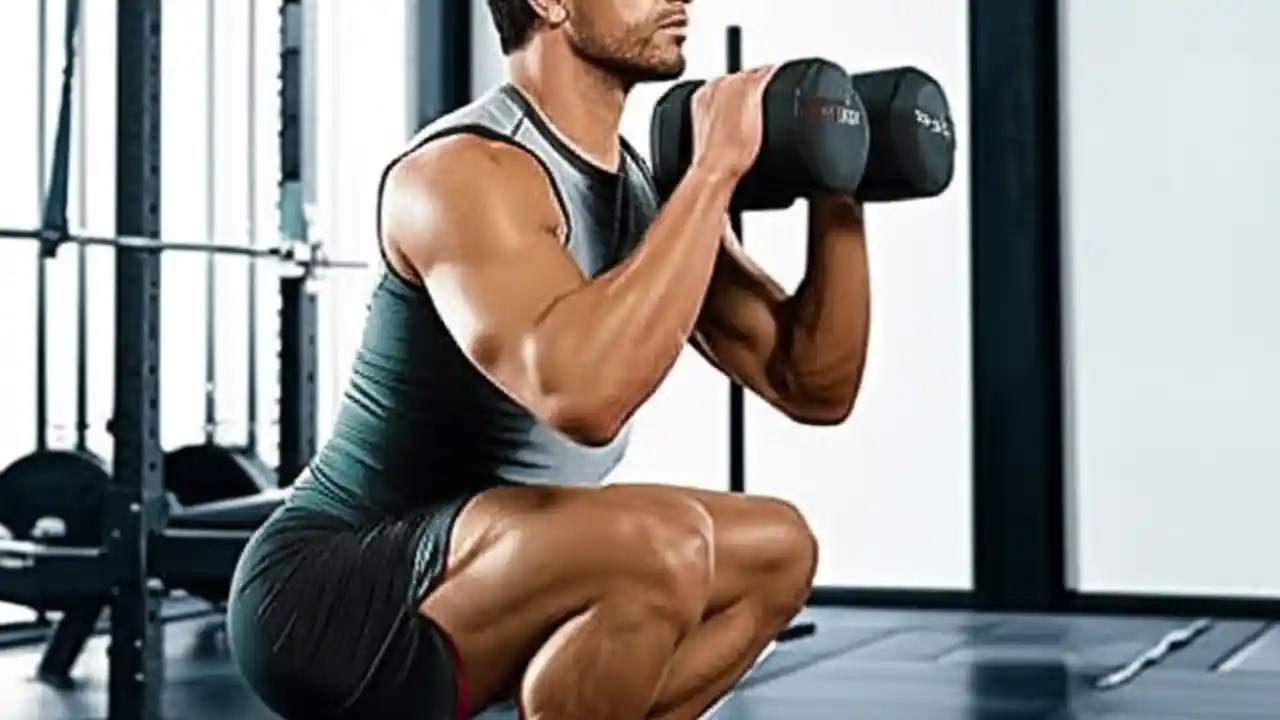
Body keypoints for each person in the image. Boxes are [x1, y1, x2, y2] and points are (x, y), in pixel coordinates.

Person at [226, 1, 873, 718]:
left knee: (778, 551)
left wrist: (838, 186)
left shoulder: (640, 192)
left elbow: (810, 382)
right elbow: (583, 398)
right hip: (334, 596)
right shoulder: (465, 172)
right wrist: (715, 170)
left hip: (492, 570)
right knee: (662, 545)